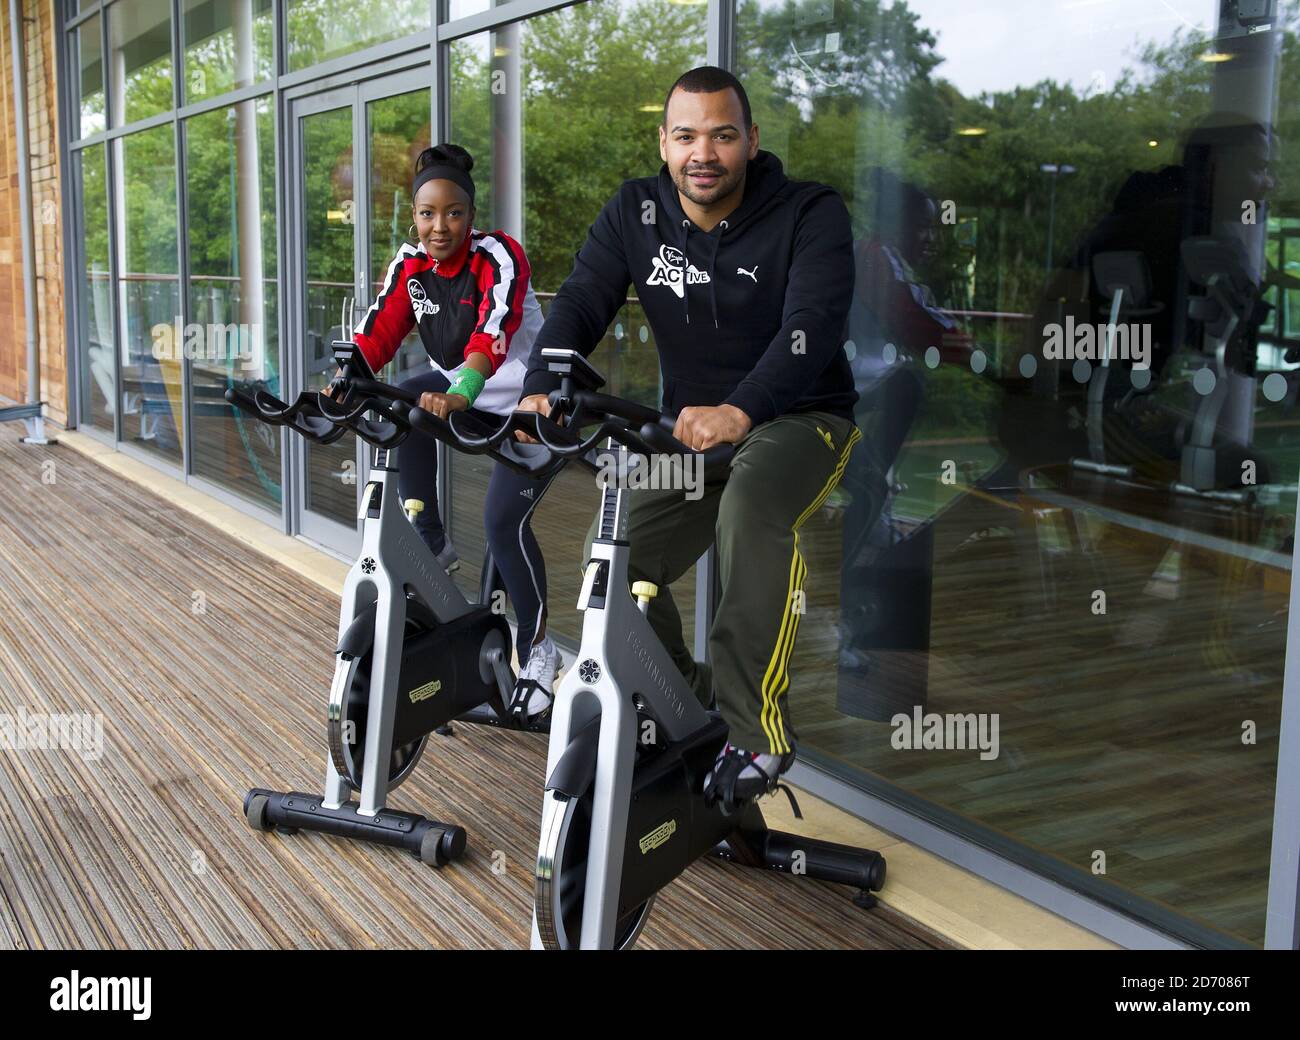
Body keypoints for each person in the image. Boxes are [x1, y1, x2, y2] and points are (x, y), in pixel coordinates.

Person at [516, 67, 859, 807]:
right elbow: (581, 297)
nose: (704, 152)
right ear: (664, 143)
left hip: (803, 418)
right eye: (686, 135)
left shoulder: (809, 212)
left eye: (722, 135)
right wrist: (547, 381)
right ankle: (687, 700)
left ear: (751, 141)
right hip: (689, 432)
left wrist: (744, 407)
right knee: (613, 560)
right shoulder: (634, 212)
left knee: (751, 512)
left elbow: (813, 328)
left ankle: (758, 731)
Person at [350, 143, 560, 719]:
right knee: (401, 403)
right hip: (460, 395)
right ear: (414, 216)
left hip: (527, 402)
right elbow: (380, 331)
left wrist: (461, 392)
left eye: (453, 214)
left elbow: (493, 332)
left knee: (501, 520)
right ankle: (433, 535)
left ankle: (539, 651)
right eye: (426, 214)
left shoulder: (498, 256)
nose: (438, 227)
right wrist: (345, 380)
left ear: (471, 215)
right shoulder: (411, 265)